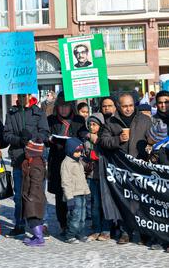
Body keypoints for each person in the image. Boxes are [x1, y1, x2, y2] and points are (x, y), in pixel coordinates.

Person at [100, 92, 152, 245]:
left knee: (142, 201)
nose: (128, 109)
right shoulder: (111, 121)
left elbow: (152, 139)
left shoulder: (144, 119)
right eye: (124, 106)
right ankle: (125, 232)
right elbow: (103, 141)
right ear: (118, 106)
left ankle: (144, 234)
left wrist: (149, 147)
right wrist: (117, 140)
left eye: (130, 105)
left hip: (140, 166)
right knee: (123, 201)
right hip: (121, 168)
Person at [3, 94, 50, 238]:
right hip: (18, 159)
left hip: (35, 159)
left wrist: (33, 137)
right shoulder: (12, 113)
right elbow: (6, 135)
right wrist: (19, 139)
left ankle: (42, 224)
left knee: (38, 193)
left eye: (27, 94)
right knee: (19, 195)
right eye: (21, 95)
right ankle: (20, 224)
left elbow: (45, 133)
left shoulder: (38, 112)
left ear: (31, 95)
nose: (24, 97)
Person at [47, 92, 87, 236]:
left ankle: (74, 225)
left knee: (75, 194)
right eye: (61, 107)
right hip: (57, 161)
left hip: (74, 163)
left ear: (72, 107)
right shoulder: (51, 120)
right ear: (57, 107)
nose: (63, 110)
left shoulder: (78, 120)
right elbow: (45, 136)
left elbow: (83, 136)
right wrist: (49, 139)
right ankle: (63, 224)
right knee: (60, 195)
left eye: (67, 106)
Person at [84, 113, 111, 242]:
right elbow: (83, 157)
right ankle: (96, 229)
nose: (91, 126)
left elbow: (108, 154)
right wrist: (86, 161)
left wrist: (99, 155)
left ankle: (106, 230)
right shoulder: (86, 141)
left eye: (94, 124)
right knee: (94, 205)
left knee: (105, 204)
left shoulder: (103, 139)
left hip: (103, 176)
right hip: (92, 176)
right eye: (89, 124)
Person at [61, 138, 90, 244]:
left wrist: (87, 192)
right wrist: (69, 198)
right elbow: (66, 182)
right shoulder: (66, 163)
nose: (79, 154)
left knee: (83, 215)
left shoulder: (78, 162)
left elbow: (82, 178)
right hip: (73, 194)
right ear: (70, 150)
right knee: (75, 215)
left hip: (81, 193)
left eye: (80, 151)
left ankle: (80, 232)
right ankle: (70, 235)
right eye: (77, 151)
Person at [21, 139, 47, 247]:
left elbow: (36, 182)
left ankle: (39, 238)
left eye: (27, 151)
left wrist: (31, 197)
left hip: (33, 196)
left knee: (32, 217)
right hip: (34, 195)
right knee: (37, 217)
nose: (25, 152)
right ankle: (37, 235)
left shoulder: (36, 164)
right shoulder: (34, 161)